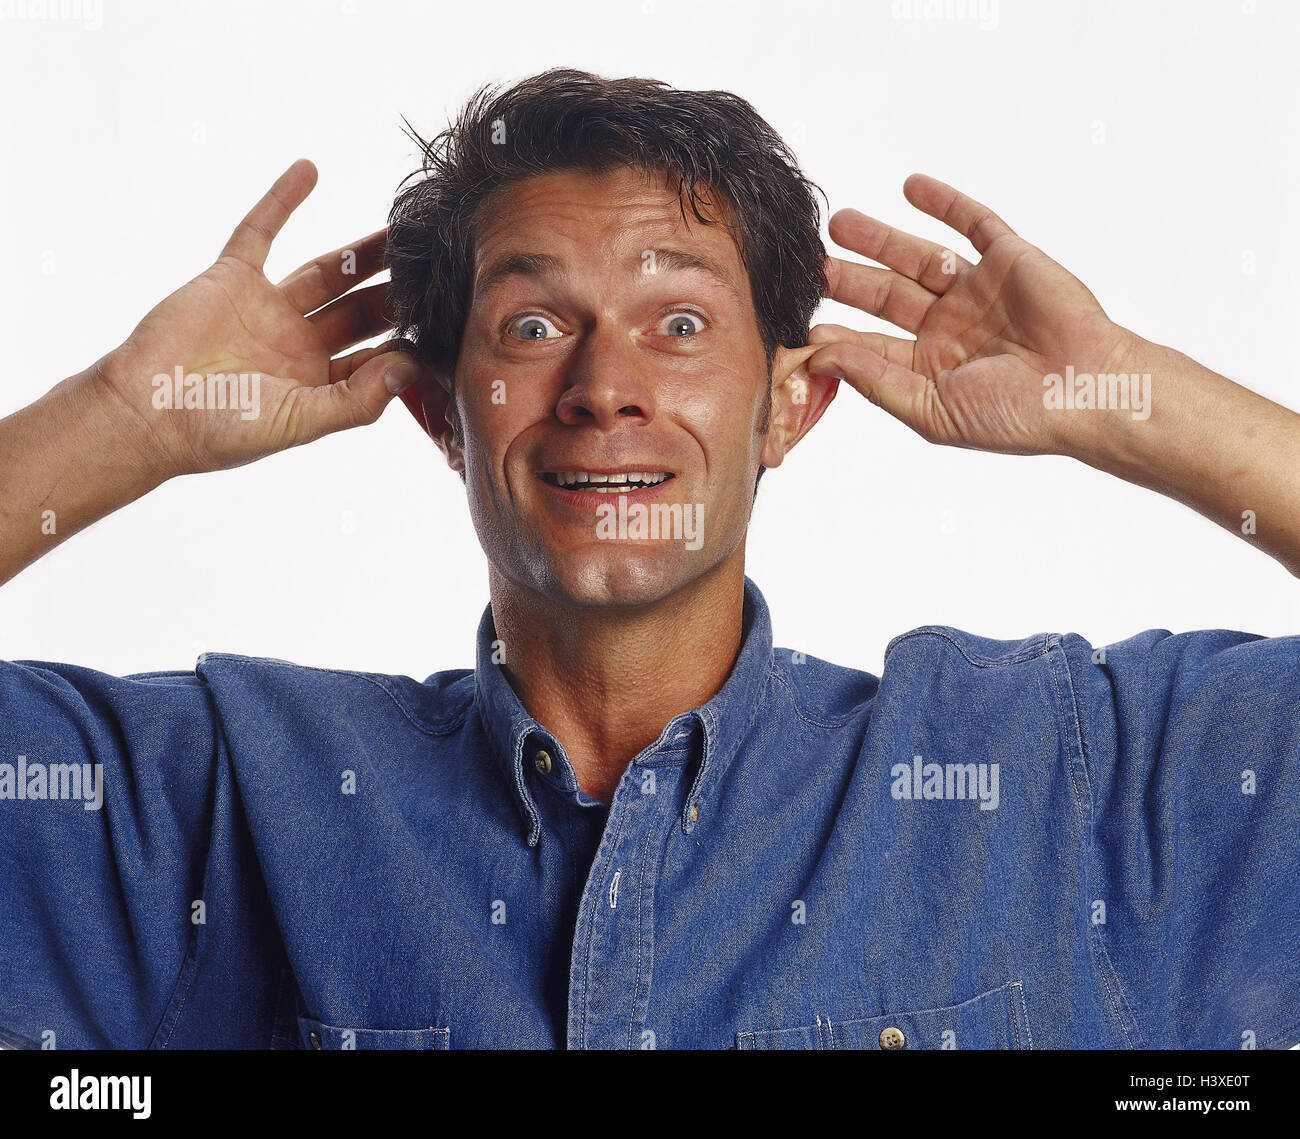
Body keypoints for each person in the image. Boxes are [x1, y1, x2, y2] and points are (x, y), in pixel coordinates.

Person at [1, 68, 1296, 1051]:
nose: (604, 386)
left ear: (788, 404)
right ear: (443, 416)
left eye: (677, 321)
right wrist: (127, 419)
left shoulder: (1043, 774)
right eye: (531, 323)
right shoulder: (230, 801)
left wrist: (1141, 401)